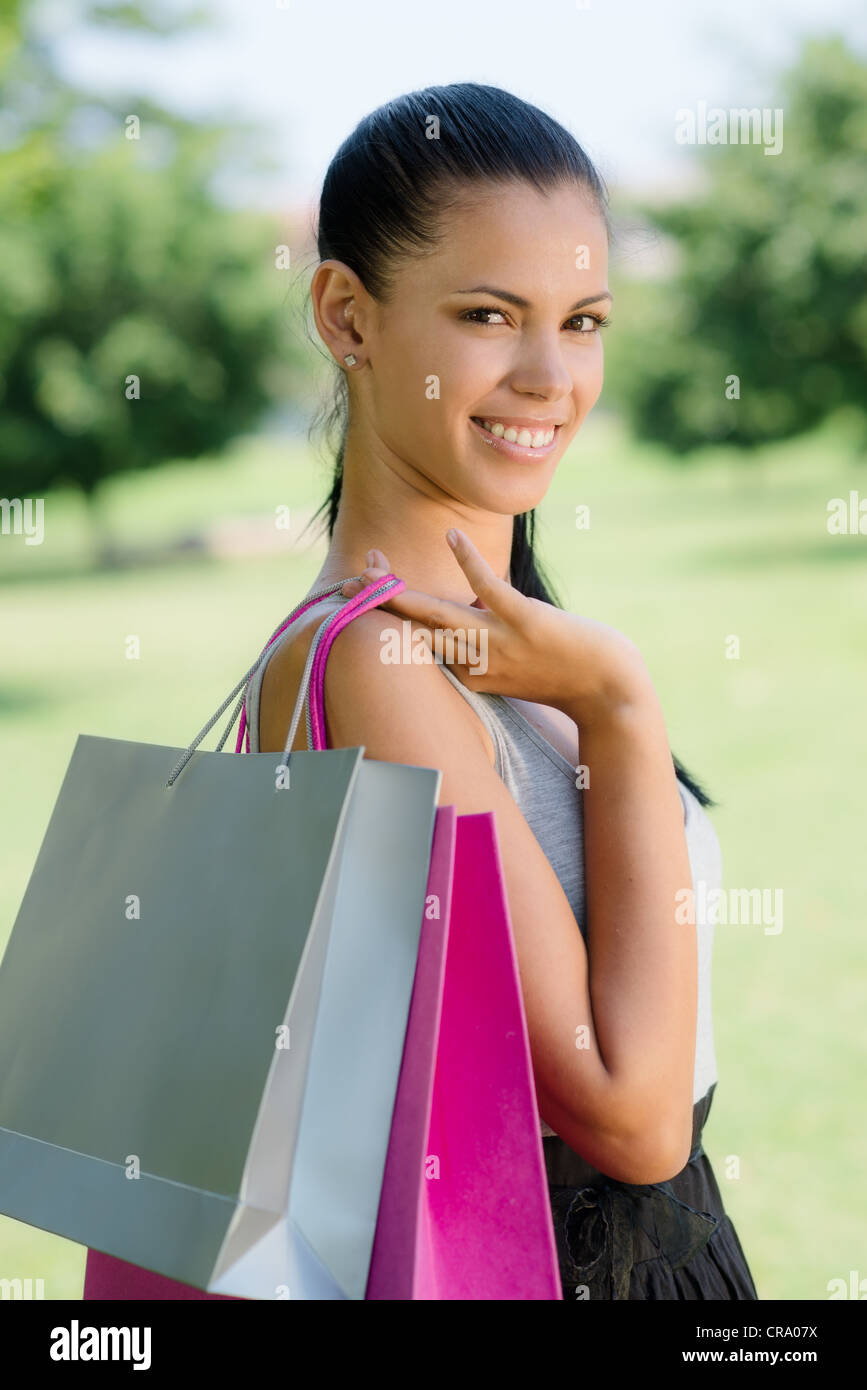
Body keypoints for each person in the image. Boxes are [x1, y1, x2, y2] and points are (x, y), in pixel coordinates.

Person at [249, 82, 759, 1301]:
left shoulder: (499, 652)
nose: (549, 374)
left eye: (583, 321)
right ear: (348, 316)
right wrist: (621, 706)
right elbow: (633, 1121)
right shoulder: (377, 664)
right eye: (489, 313)